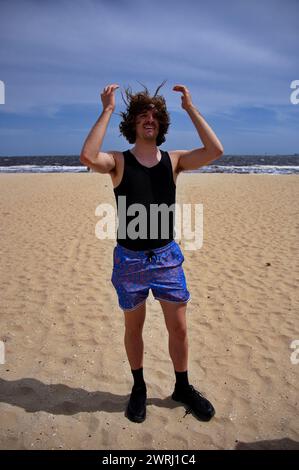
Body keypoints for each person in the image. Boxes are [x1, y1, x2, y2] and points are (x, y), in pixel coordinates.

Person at [80, 81, 224, 423]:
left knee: (179, 328)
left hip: (166, 258)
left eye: (156, 116)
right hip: (129, 259)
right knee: (135, 328)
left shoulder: (174, 161)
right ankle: (139, 388)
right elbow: (87, 156)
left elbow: (215, 150)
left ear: (161, 125)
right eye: (143, 115)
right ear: (133, 123)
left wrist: (190, 108)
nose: (150, 119)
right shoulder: (118, 161)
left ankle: (183, 387)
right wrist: (107, 109)